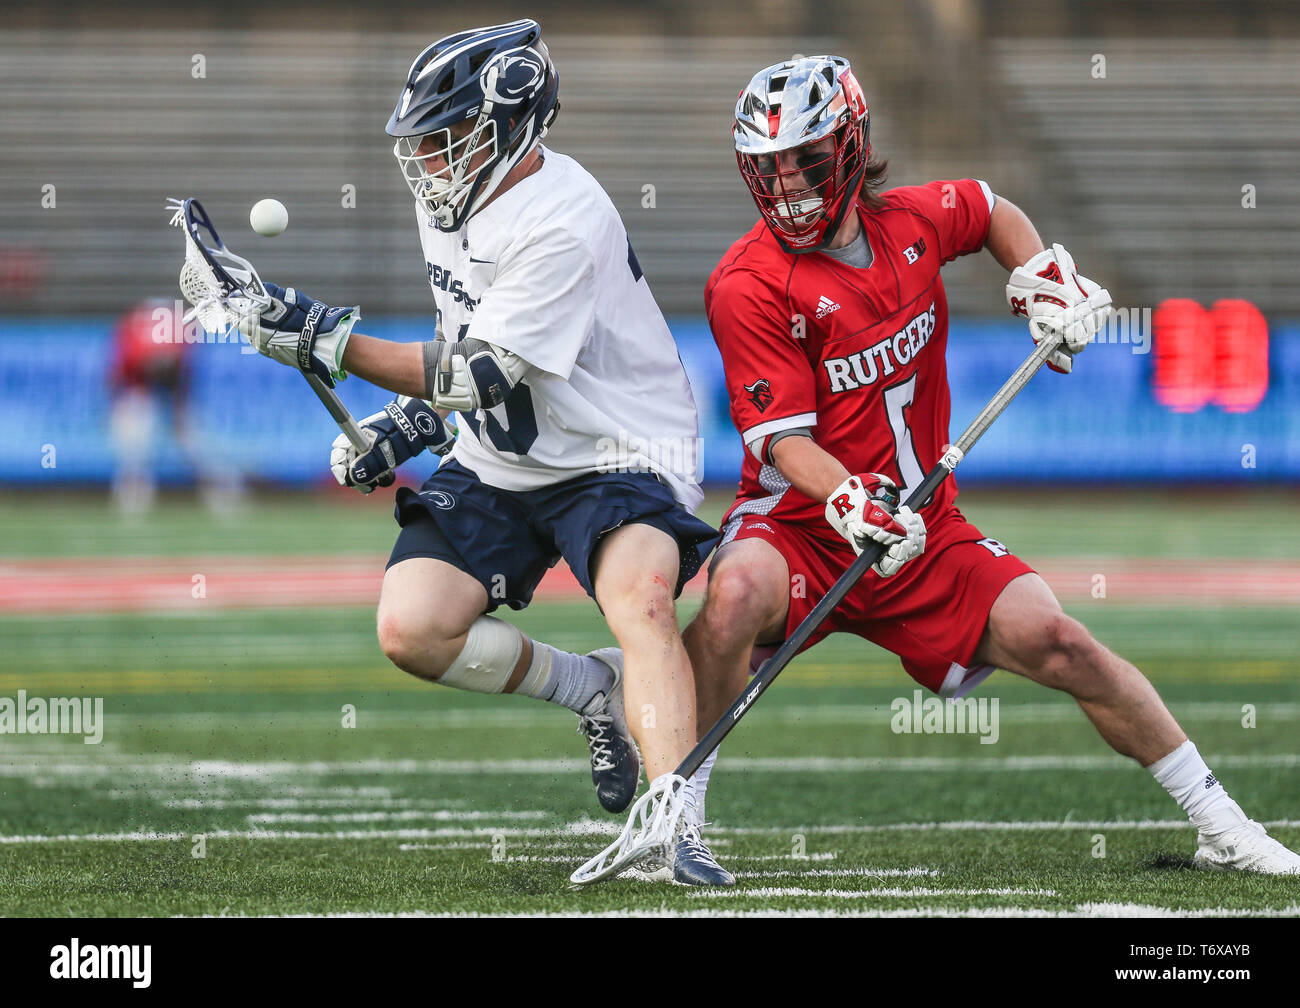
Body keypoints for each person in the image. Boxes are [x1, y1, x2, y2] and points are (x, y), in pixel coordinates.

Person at [682, 54, 1299, 874]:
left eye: (807, 159)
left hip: (925, 528)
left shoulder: (913, 221)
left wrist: (1043, 276)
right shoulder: (749, 282)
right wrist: (851, 499)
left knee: (1060, 641)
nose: (788, 183)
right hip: (805, 522)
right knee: (732, 598)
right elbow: (782, 442)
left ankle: (1223, 825)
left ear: (853, 145)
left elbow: (988, 207)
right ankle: (675, 810)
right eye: (769, 167)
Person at [238, 20, 733, 884]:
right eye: (423, 139)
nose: (430, 156)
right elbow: (463, 338)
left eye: (449, 135)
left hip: (617, 452)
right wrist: (410, 420)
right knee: (412, 626)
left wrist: (325, 335)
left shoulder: (564, 219)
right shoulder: (458, 200)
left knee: (642, 598)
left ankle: (675, 821)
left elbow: (478, 373)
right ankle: (594, 691)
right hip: (509, 455)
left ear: (511, 126)